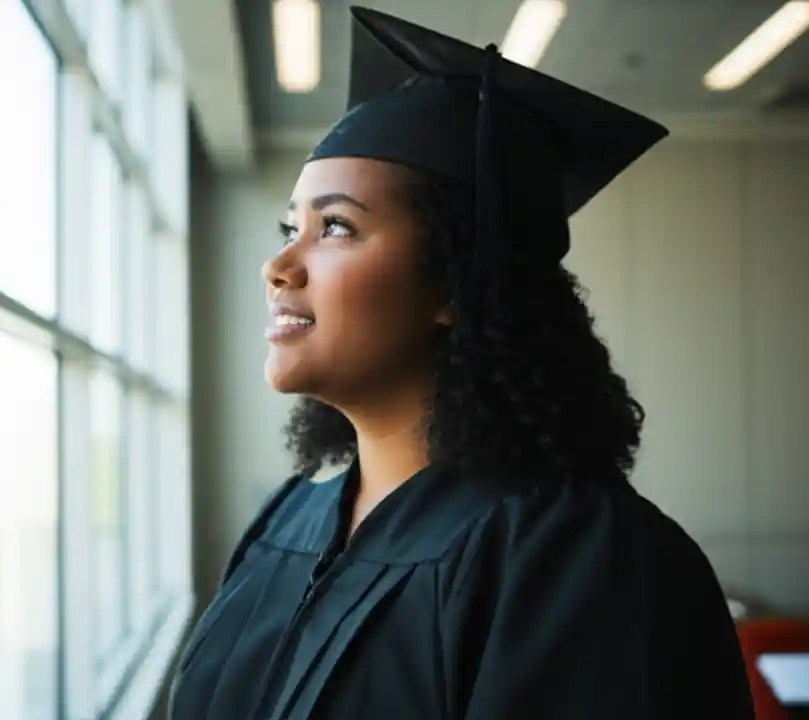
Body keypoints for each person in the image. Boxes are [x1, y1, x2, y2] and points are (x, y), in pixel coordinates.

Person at [168, 7, 755, 719]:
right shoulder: (288, 517)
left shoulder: (576, 557)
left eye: (337, 227)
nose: (279, 265)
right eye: (293, 226)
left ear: (455, 279)